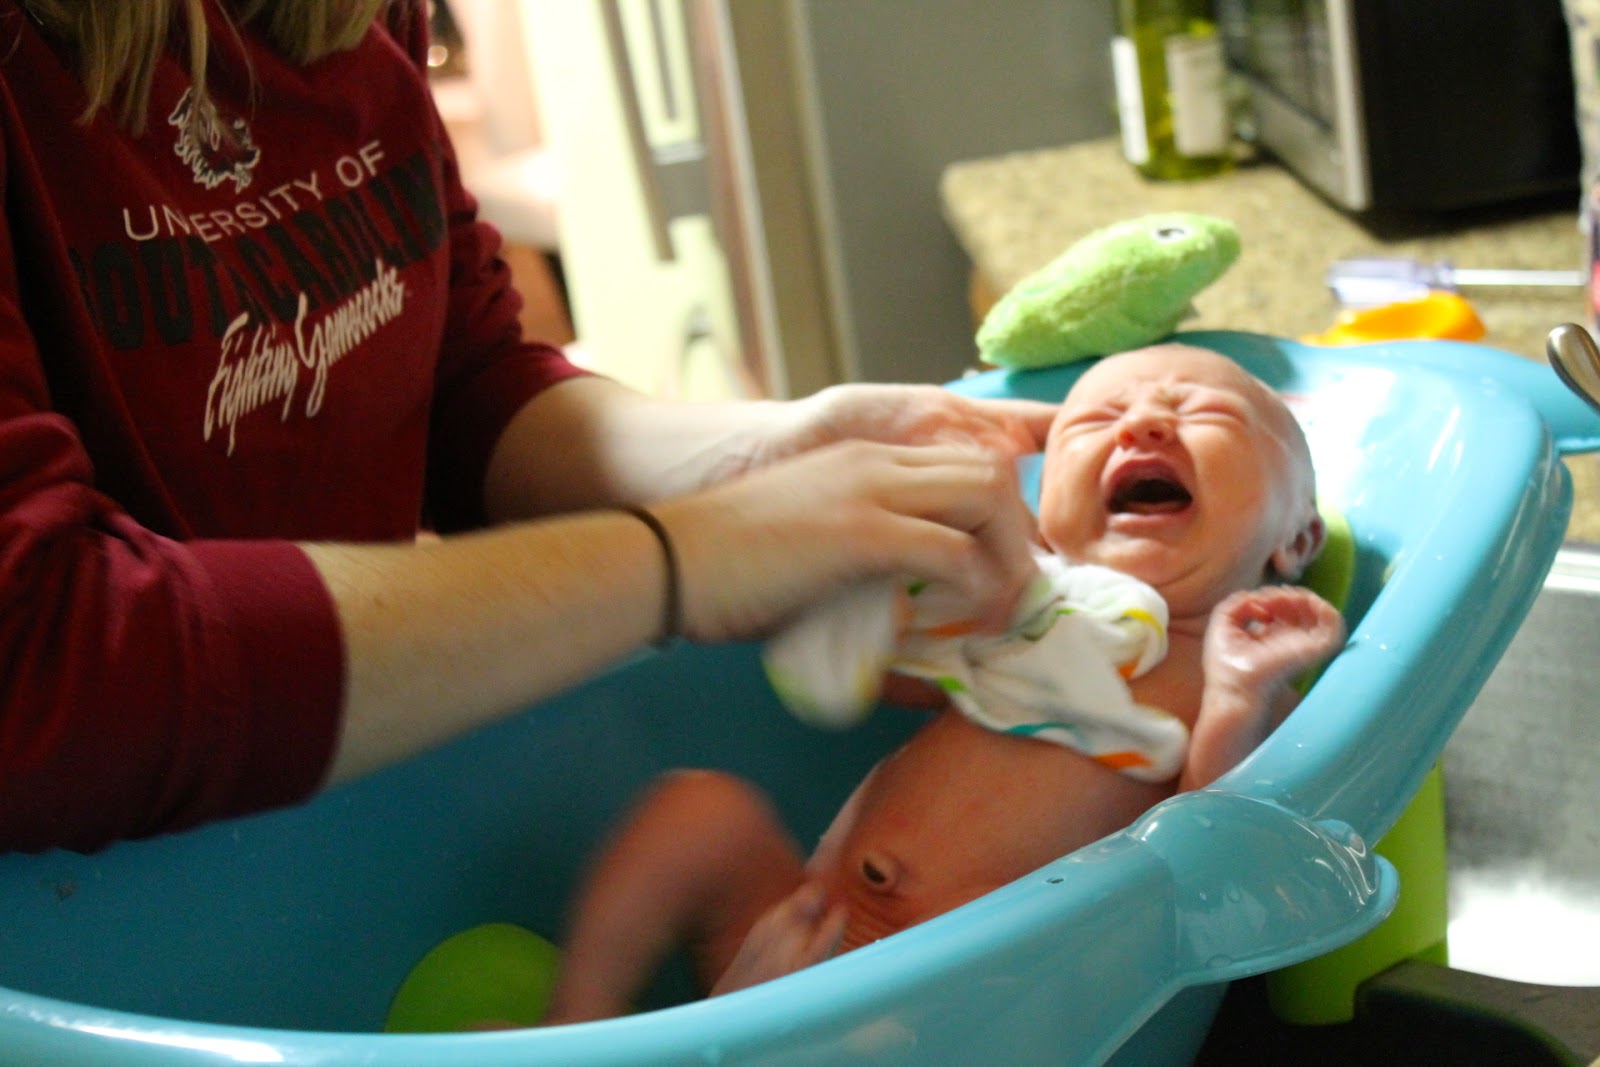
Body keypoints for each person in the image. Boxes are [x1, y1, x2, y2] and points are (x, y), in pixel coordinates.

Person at [0, 0, 1056, 854]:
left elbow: (456, 380)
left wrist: (747, 459)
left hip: (330, 817)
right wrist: (683, 556)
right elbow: (43, 670)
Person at [538, 343, 1348, 1023]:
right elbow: (898, 679)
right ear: (1040, 513)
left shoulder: (1235, 667)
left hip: (962, 1001)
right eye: (1096, 419)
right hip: (802, 923)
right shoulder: (1016, 600)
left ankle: (733, 1034)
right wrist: (877, 603)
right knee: (699, 812)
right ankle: (577, 1029)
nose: (1141, 422)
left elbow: (1213, 852)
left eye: (1206, 413)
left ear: (1297, 533)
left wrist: (1240, 697)